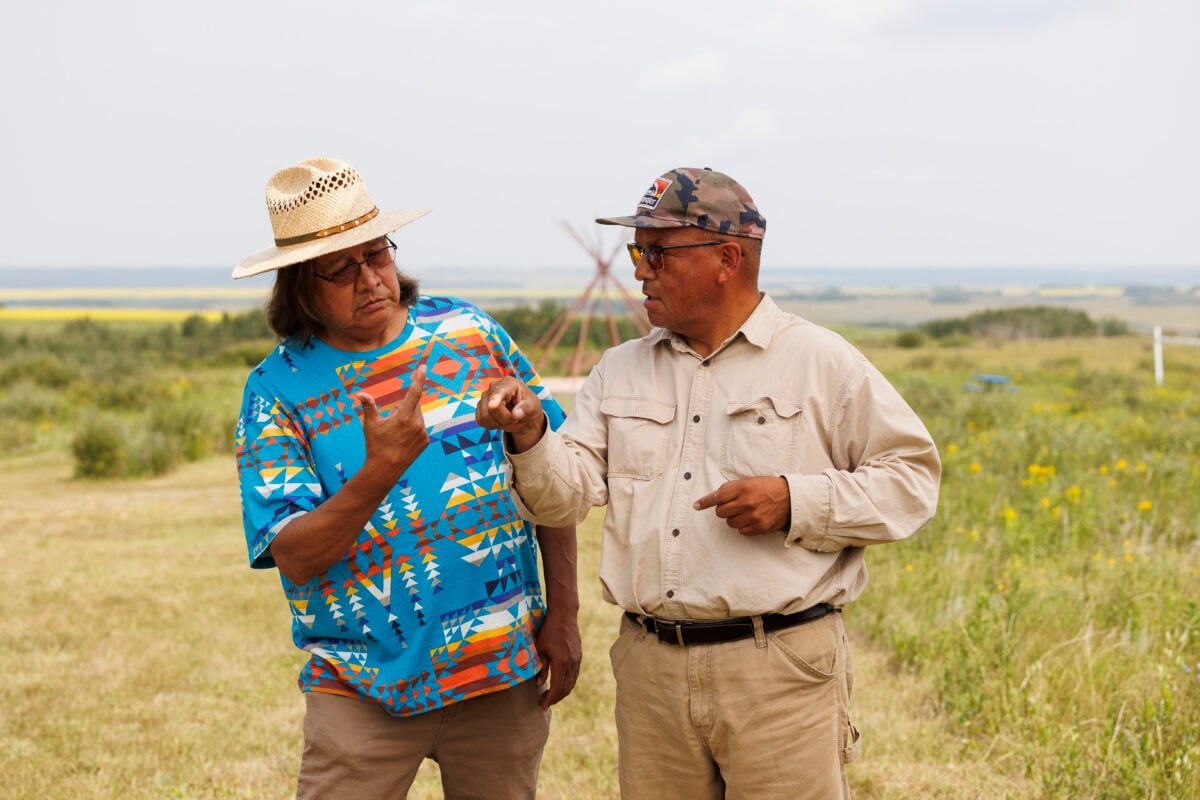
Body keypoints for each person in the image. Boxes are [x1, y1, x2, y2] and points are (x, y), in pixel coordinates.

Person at [476, 167, 941, 799]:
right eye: (637, 251)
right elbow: (566, 494)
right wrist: (530, 435)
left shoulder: (820, 361)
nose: (640, 269)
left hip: (777, 666)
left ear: (727, 259)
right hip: (651, 672)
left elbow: (912, 482)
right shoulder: (619, 369)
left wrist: (794, 500)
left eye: (657, 252)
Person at [232, 157, 580, 800]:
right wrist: (381, 469)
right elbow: (295, 555)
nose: (369, 279)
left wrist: (565, 613)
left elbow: (551, 479)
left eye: (377, 255)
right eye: (341, 269)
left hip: (499, 672)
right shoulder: (276, 391)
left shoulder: (469, 333)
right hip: (360, 690)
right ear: (299, 286)